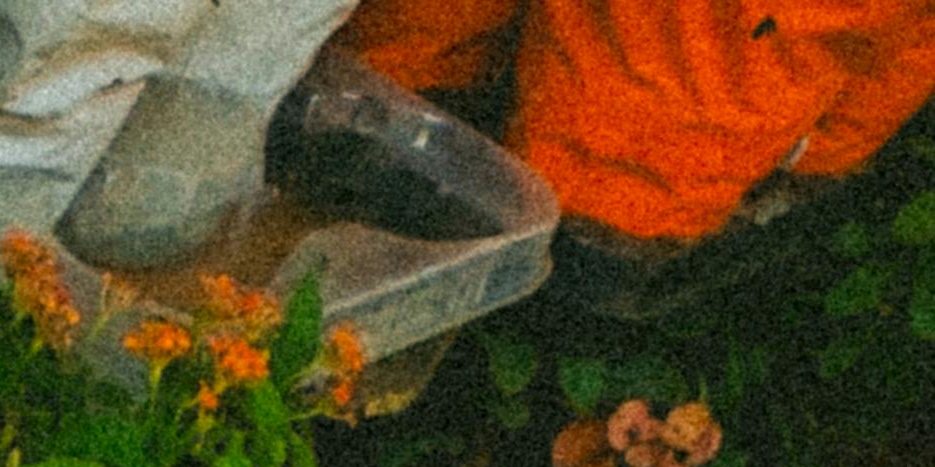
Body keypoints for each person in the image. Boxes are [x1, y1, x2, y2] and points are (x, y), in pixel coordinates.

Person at [332, 0, 935, 265]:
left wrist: (413, 72)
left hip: (507, 148)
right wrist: (818, 156)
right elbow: (908, 63)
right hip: (680, 221)